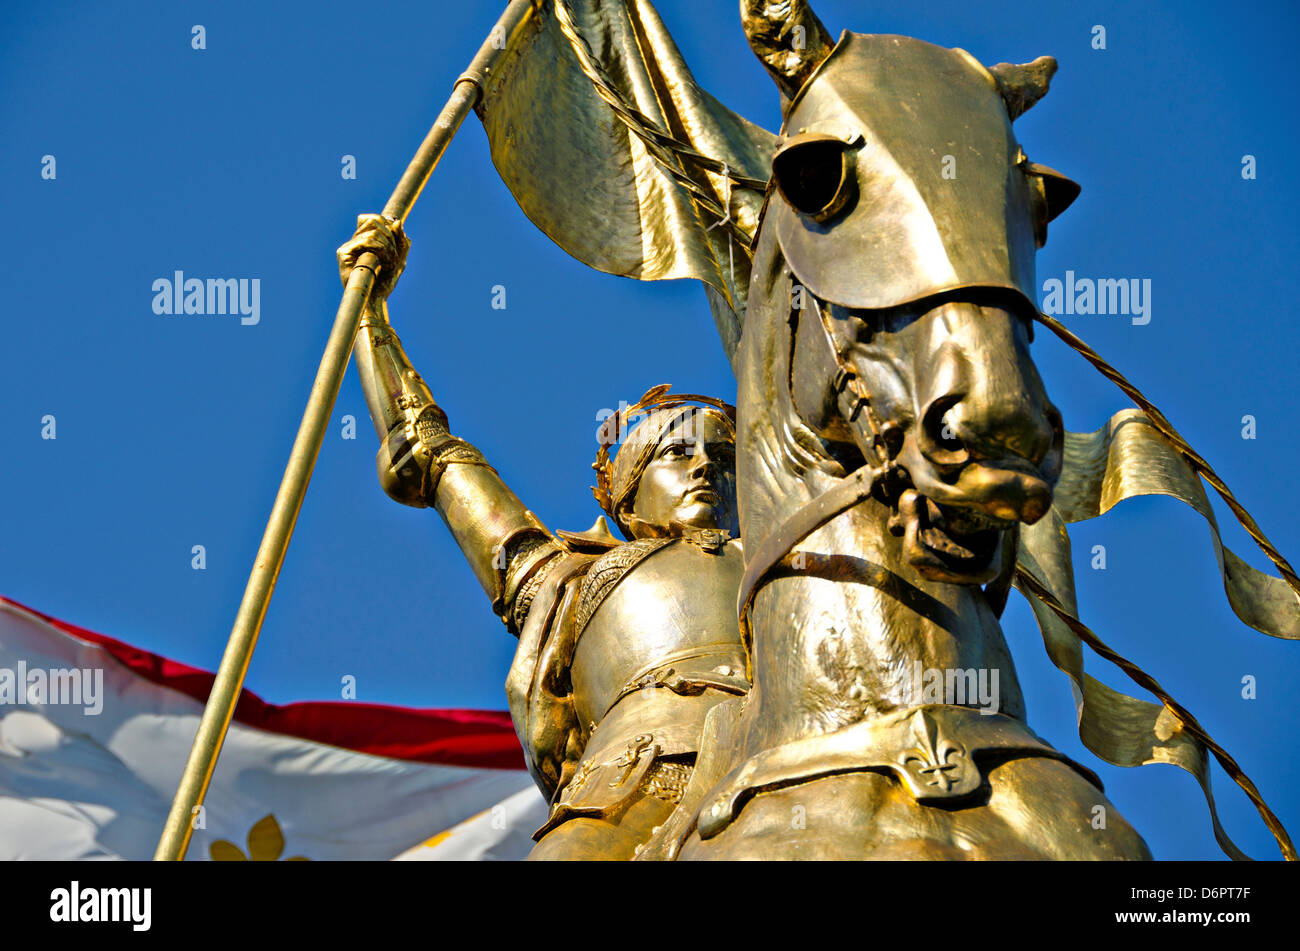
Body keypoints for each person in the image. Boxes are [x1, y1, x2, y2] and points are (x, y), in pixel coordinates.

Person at [339, 214, 749, 859]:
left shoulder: (814, 556)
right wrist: (369, 319)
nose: (704, 467)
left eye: (725, 461)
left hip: (812, 744)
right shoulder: (568, 577)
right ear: (626, 495)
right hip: (632, 779)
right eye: (676, 452)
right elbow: (428, 454)